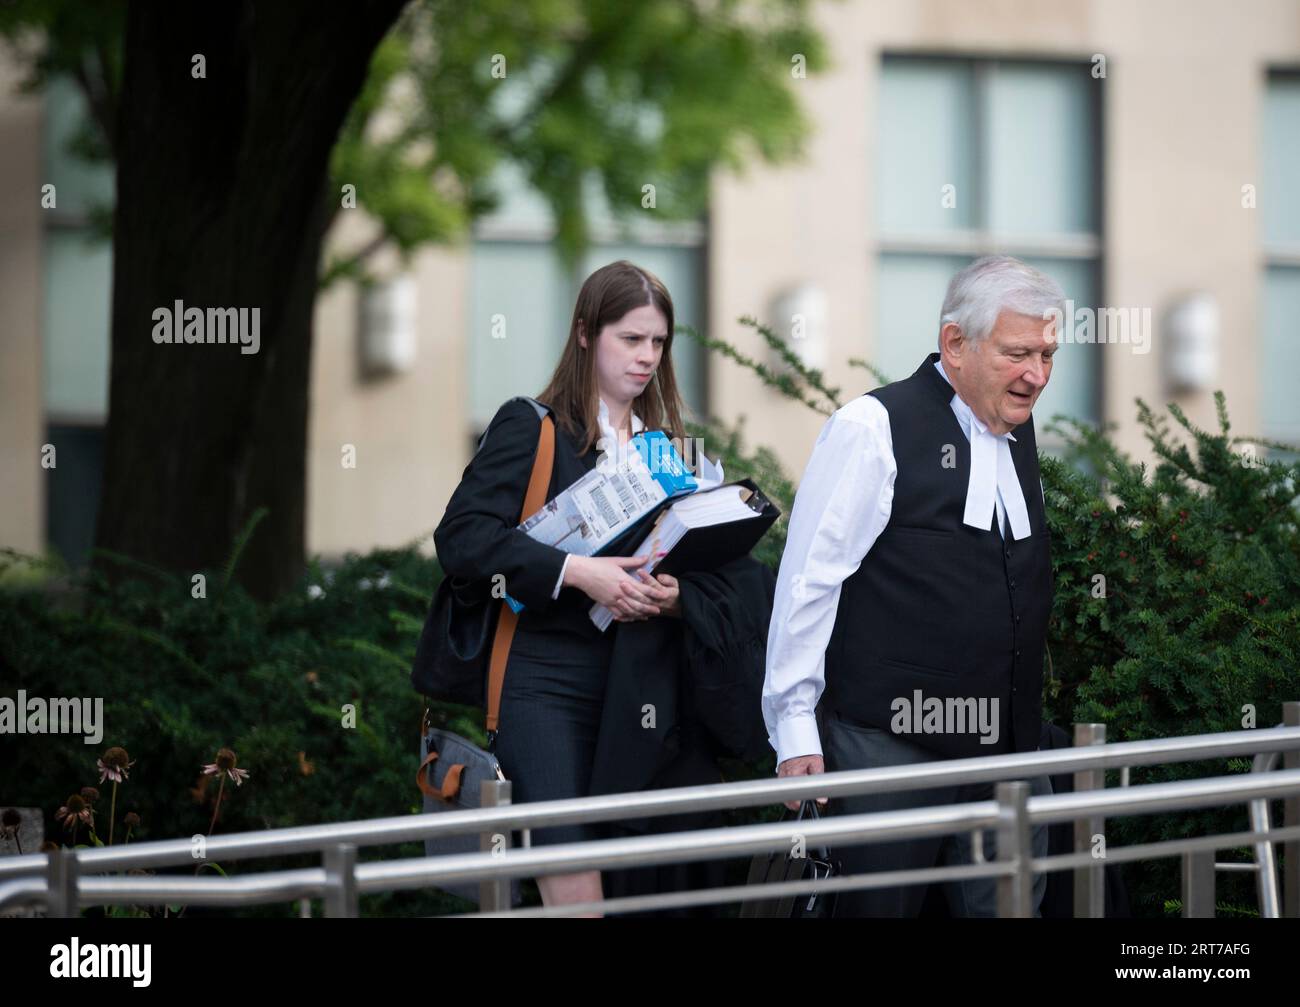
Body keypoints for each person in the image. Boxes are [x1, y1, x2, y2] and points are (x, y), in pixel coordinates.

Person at [433, 260, 773, 916]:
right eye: (630, 338)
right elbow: (463, 539)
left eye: (658, 342)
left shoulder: (672, 457)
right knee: (575, 885)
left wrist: (675, 596)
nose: (647, 356)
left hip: (640, 686)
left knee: (642, 885)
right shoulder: (531, 428)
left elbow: (707, 570)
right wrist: (578, 572)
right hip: (542, 681)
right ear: (585, 334)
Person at [762, 255, 1060, 917]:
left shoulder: (1017, 427)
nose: (1037, 375)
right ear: (956, 343)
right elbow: (809, 581)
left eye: (1047, 353)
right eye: (1018, 353)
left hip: (1007, 749)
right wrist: (794, 728)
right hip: (887, 746)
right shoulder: (870, 426)